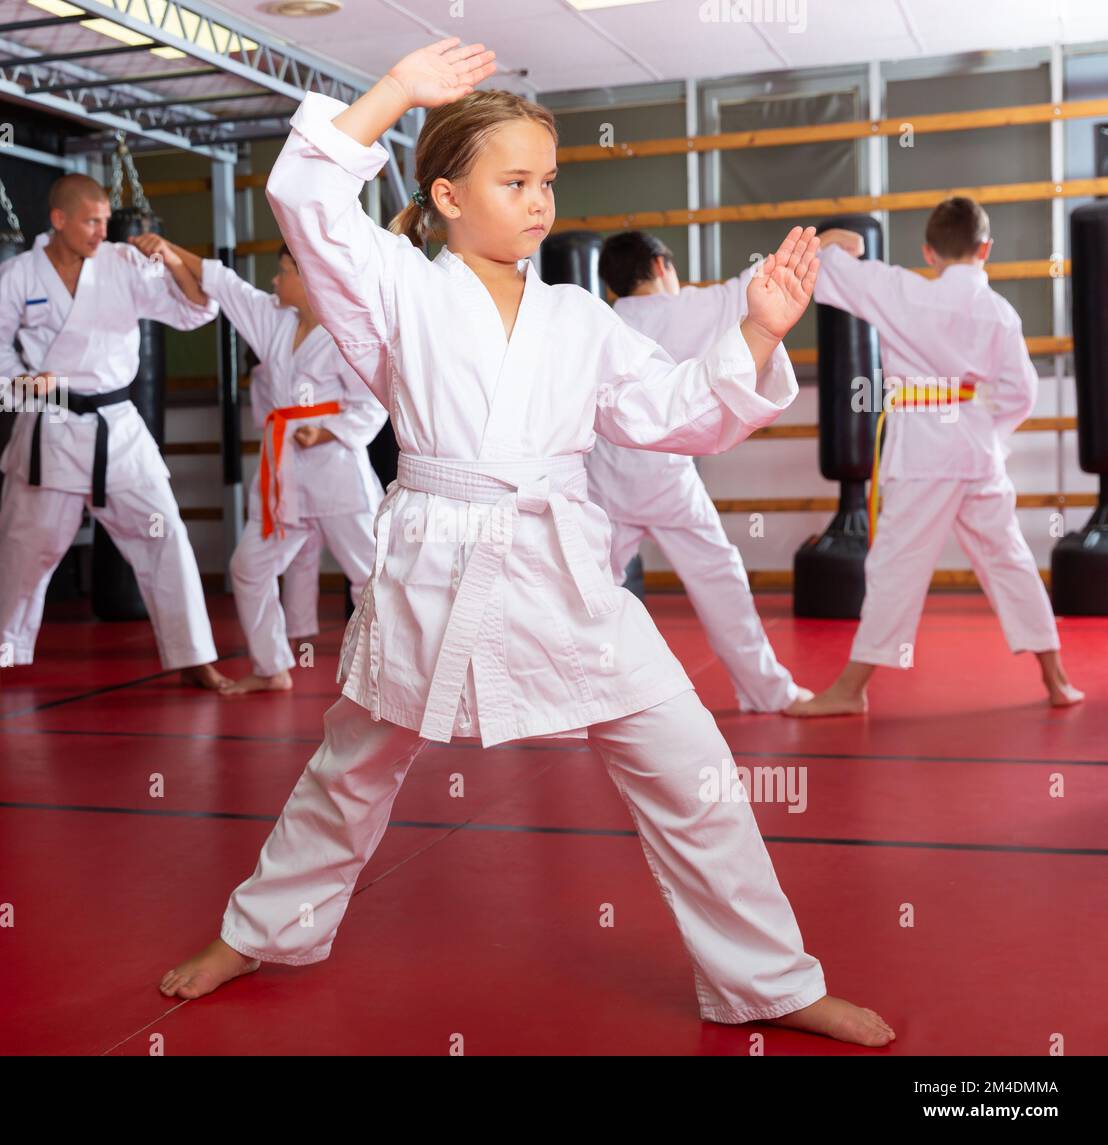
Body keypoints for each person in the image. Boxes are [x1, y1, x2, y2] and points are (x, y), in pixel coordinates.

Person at [160, 39, 894, 1047]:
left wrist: (759, 334)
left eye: (548, 181)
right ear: (448, 196)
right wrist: (396, 93)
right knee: (353, 768)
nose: (540, 202)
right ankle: (261, 929)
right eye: (515, 182)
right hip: (435, 557)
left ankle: (767, 980)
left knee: (692, 765)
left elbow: (670, 409)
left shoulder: (573, 317)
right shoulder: (395, 288)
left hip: (563, 569)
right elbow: (308, 200)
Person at [789, 198, 1082, 716]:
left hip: (924, 453)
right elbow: (1021, 393)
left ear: (929, 252)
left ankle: (851, 690)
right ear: (985, 249)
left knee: (894, 571)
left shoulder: (901, 290)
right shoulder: (1000, 314)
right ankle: (1056, 679)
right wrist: (990, 432)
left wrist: (840, 241)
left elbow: (829, 266)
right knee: (1011, 562)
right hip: (977, 451)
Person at [0, 174, 231, 691]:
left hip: (117, 430)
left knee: (164, 533)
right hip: (49, 429)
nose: (103, 230)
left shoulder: (123, 265)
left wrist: (170, 257)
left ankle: (195, 655)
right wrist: (20, 382)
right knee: (21, 546)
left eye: (106, 219)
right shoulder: (17, 275)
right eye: (91, 220)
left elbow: (195, 311)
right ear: (59, 220)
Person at [130, 235, 387, 695]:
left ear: (308, 279)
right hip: (283, 473)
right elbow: (224, 284)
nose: (275, 279)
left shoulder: (348, 333)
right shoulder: (275, 321)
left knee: (371, 573)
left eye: (284, 271)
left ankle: (394, 672)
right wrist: (171, 251)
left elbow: (374, 401)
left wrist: (326, 430)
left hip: (336, 472)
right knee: (249, 568)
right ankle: (272, 667)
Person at [590, 230, 826, 714]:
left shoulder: (605, 320)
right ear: (660, 266)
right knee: (721, 580)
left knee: (592, 592)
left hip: (605, 477)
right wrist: (831, 237)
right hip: (667, 479)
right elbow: (751, 287)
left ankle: (576, 698)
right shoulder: (685, 308)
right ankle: (768, 692)